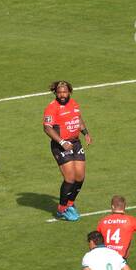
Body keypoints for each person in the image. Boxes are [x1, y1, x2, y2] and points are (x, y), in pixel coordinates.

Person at [43, 80, 90, 220]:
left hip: (75, 143)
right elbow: (47, 128)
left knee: (80, 177)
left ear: (69, 92)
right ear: (55, 93)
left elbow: (78, 119)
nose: (62, 95)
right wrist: (62, 142)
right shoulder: (52, 107)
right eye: (59, 93)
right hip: (60, 145)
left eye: (64, 92)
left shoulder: (74, 103)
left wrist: (86, 132)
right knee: (69, 178)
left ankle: (70, 203)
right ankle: (62, 209)